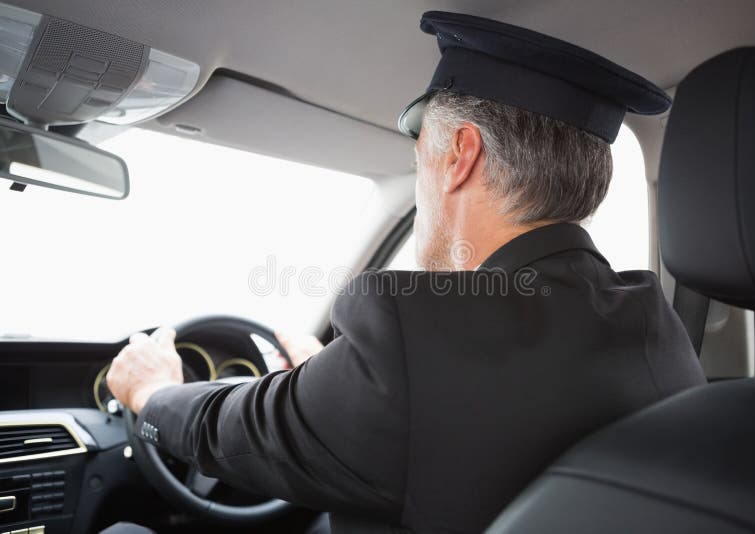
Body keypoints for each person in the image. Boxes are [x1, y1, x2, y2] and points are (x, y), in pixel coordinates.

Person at [107, 11, 706, 533]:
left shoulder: (410, 334)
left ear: (457, 156)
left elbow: (231, 431)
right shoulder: (654, 323)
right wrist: (333, 378)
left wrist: (151, 392)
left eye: (418, 161)